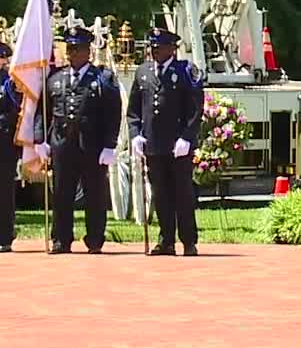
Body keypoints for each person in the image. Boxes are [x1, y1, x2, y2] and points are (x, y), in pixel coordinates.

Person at [35, 27, 122, 254]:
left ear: (88, 51)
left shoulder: (102, 79)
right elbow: (42, 112)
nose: (73, 54)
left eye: (78, 49)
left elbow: (113, 113)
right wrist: (40, 140)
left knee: (94, 195)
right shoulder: (55, 78)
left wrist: (110, 145)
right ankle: (61, 239)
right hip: (62, 145)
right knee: (62, 193)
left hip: (91, 145)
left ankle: (94, 239)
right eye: (70, 48)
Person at [127, 27, 204, 256]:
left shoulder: (186, 71)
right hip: (154, 144)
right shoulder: (143, 72)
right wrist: (135, 135)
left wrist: (187, 138)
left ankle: (188, 241)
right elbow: (134, 110)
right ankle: (166, 239)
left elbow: (195, 109)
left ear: (172, 48)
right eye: (152, 47)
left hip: (178, 146)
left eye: (159, 47)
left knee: (182, 193)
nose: (154, 50)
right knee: (160, 194)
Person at [0, 43, 20, 253]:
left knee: (3, 191)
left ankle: (4, 235)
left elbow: (16, 110)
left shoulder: (9, 82)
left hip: (3, 144)